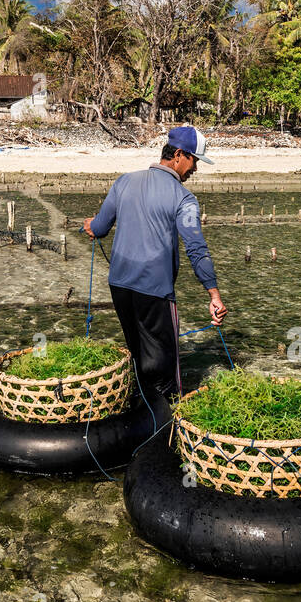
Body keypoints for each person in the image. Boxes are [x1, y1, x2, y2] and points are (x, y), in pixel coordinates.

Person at [83, 125, 227, 418]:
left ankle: (138, 416)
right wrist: (214, 295)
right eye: (194, 161)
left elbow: (98, 228)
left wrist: (90, 224)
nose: (195, 169)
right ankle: (165, 427)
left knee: (138, 355)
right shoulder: (184, 199)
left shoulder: (123, 182)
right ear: (178, 155)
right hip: (156, 293)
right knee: (165, 368)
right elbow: (196, 249)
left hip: (120, 287)